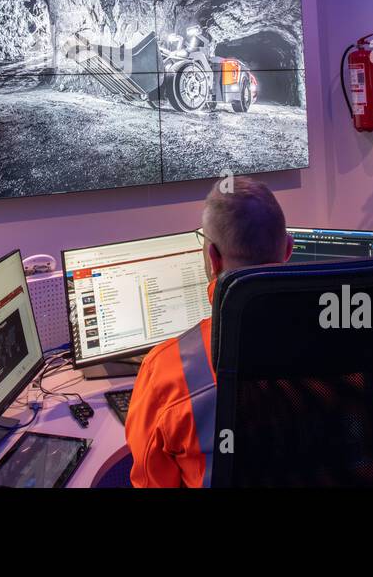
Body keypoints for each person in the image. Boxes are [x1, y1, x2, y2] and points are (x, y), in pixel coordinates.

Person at [123, 175, 292, 487]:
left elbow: (150, 480)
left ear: (213, 258)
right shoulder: (344, 342)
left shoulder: (164, 370)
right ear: (289, 248)